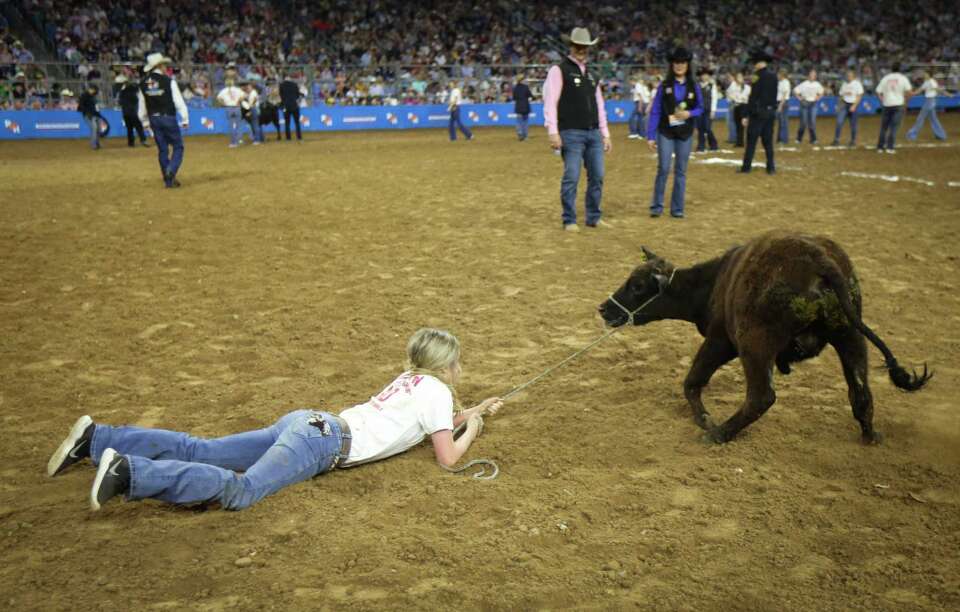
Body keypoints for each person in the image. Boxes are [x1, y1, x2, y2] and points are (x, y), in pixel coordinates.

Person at [47, 328, 504, 512]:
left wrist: (473, 411)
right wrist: (473, 430)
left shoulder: (411, 380)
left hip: (309, 422)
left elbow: (432, 420)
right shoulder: (436, 391)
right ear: (447, 365)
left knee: (203, 448)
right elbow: (447, 457)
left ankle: (96, 438)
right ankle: (131, 473)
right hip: (323, 445)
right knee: (242, 490)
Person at [543, 27, 613, 231]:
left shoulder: (593, 75)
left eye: (584, 47)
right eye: (578, 46)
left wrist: (605, 133)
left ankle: (593, 217)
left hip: (594, 133)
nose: (581, 50)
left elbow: (599, 105)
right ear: (571, 46)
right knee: (571, 176)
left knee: (597, 176)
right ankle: (569, 219)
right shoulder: (559, 70)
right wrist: (553, 131)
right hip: (570, 132)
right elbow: (550, 101)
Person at [646, 46, 704, 219]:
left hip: (685, 133)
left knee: (681, 171)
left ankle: (677, 208)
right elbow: (655, 110)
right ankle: (657, 206)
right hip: (666, 132)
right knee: (663, 168)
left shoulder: (694, 86)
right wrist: (650, 135)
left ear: (687, 65)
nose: (679, 65)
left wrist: (689, 113)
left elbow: (701, 108)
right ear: (672, 65)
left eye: (683, 62)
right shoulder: (664, 86)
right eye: (676, 62)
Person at [137, 53, 190, 188]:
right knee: (178, 146)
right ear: (160, 66)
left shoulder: (143, 84)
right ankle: (171, 170)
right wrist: (185, 118)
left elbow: (142, 107)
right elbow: (178, 102)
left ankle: (168, 180)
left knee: (162, 149)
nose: (166, 67)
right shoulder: (169, 81)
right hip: (168, 117)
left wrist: (145, 122)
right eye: (164, 65)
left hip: (154, 119)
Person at [738, 49, 778, 174]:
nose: (754, 65)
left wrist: (746, 114)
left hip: (758, 113)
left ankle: (746, 167)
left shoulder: (756, 76)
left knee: (751, 141)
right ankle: (771, 167)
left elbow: (753, 96)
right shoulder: (774, 76)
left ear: (758, 63)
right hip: (770, 112)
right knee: (768, 142)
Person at [875, 63, 913, 153]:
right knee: (893, 127)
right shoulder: (903, 78)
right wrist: (905, 102)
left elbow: (877, 91)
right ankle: (890, 147)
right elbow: (909, 92)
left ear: (891, 69)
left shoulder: (885, 78)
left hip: (887, 104)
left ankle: (880, 147)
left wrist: (882, 100)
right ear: (900, 69)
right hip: (898, 104)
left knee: (884, 127)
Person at [906, 71, 947, 141]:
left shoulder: (931, 81)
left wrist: (947, 94)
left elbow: (938, 89)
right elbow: (919, 90)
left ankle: (912, 134)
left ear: (929, 75)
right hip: (929, 101)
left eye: (925, 74)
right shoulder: (927, 82)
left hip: (930, 101)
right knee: (933, 119)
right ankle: (941, 135)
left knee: (920, 118)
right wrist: (911, 93)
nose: (924, 75)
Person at [832, 70, 864, 146]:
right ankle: (836, 140)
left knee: (853, 124)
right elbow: (841, 95)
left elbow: (859, 96)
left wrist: (854, 106)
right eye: (847, 75)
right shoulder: (844, 84)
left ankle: (853, 141)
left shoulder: (857, 84)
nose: (848, 77)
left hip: (853, 105)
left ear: (853, 76)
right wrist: (838, 106)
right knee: (839, 122)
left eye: (850, 75)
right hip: (844, 105)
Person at [116, 75, 148, 148]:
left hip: (125, 113)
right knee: (139, 127)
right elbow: (136, 98)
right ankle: (143, 140)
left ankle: (131, 143)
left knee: (129, 128)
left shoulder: (122, 92)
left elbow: (120, 102)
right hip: (132, 112)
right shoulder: (133, 89)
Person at [793, 69, 824, 144]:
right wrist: (800, 98)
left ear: (815, 76)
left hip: (813, 104)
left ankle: (813, 139)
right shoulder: (804, 84)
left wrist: (818, 98)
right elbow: (795, 90)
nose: (812, 76)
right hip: (804, 103)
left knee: (812, 123)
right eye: (811, 74)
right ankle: (799, 138)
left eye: (814, 75)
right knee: (803, 123)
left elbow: (822, 92)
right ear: (809, 75)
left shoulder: (817, 84)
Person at [216, 79, 246, 148]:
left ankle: (233, 142)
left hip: (229, 107)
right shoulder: (237, 89)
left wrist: (224, 104)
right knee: (239, 125)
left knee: (231, 125)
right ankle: (239, 140)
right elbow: (243, 96)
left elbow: (218, 98)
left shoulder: (224, 90)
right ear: (233, 83)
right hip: (237, 107)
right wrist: (238, 101)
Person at [695, 68, 718, 152]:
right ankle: (701, 146)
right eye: (703, 75)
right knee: (700, 128)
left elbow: (714, 98)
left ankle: (713, 144)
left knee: (707, 128)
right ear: (700, 76)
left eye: (706, 75)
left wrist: (713, 110)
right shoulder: (696, 85)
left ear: (709, 76)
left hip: (708, 110)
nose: (704, 77)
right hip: (698, 110)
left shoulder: (712, 85)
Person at [726, 72, 749, 146]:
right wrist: (734, 98)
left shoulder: (747, 87)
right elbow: (729, 94)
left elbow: (745, 97)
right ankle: (739, 142)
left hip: (744, 106)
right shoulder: (734, 87)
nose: (739, 79)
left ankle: (745, 141)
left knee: (743, 124)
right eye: (737, 77)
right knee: (738, 125)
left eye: (740, 77)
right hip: (736, 106)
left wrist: (737, 97)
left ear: (743, 78)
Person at [77, 83, 103, 150]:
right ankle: (93, 145)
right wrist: (87, 113)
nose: (95, 92)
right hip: (89, 115)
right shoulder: (84, 96)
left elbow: (96, 107)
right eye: (94, 90)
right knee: (94, 129)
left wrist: (99, 115)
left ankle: (97, 143)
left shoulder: (93, 96)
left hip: (96, 115)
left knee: (99, 129)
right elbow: (80, 106)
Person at [279, 74, 303, 141]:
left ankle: (288, 138)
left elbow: (281, 96)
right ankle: (299, 137)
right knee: (297, 122)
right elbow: (297, 95)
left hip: (286, 106)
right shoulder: (294, 84)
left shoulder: (281, 85)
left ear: (284, 78)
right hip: (294, 105)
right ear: (289, 78)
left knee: (287, 123)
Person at [240, 80, 263, 145]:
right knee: (255, 125)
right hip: (253, 109)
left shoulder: (253, 93)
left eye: (248, 87)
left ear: (251, 87)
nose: (247, 88)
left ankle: (257, 140)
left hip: (253, 109)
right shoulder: (251, 93)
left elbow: (253, 102)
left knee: (255, 125)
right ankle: (260, 138)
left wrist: (250, 111)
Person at [628, 74, 650, 140]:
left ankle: (634, 133)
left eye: (630, 81)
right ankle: (641, 134)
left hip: (640, 103)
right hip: (643, 103)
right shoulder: (640, 86)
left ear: (632, 80)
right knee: (640, 118)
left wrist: (640, 106)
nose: (629, 83)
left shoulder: (637, 85)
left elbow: (640, 97)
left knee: (632, 117)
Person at [512, 74, 533, 141]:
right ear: (521, 80)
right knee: (525, 122)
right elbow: (530, 95)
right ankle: (525, 136)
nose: (525, 80)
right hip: (525, 106)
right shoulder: (526, 87)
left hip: (518, 106)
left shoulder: (515, 88)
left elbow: (514, 98)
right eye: (524, 79)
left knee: (519, 121)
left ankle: (520, 132)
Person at [776, 69, 791, 144]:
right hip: (779, 102)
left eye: (778, 74)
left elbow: (785, 94)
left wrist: (780, 105)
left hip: (783, 102)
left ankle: (783, 139)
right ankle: (780, 138)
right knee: (781, 121)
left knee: (783, 122)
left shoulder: (786, 82)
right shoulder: (780, 82)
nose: (777, 75)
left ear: (782, 75)